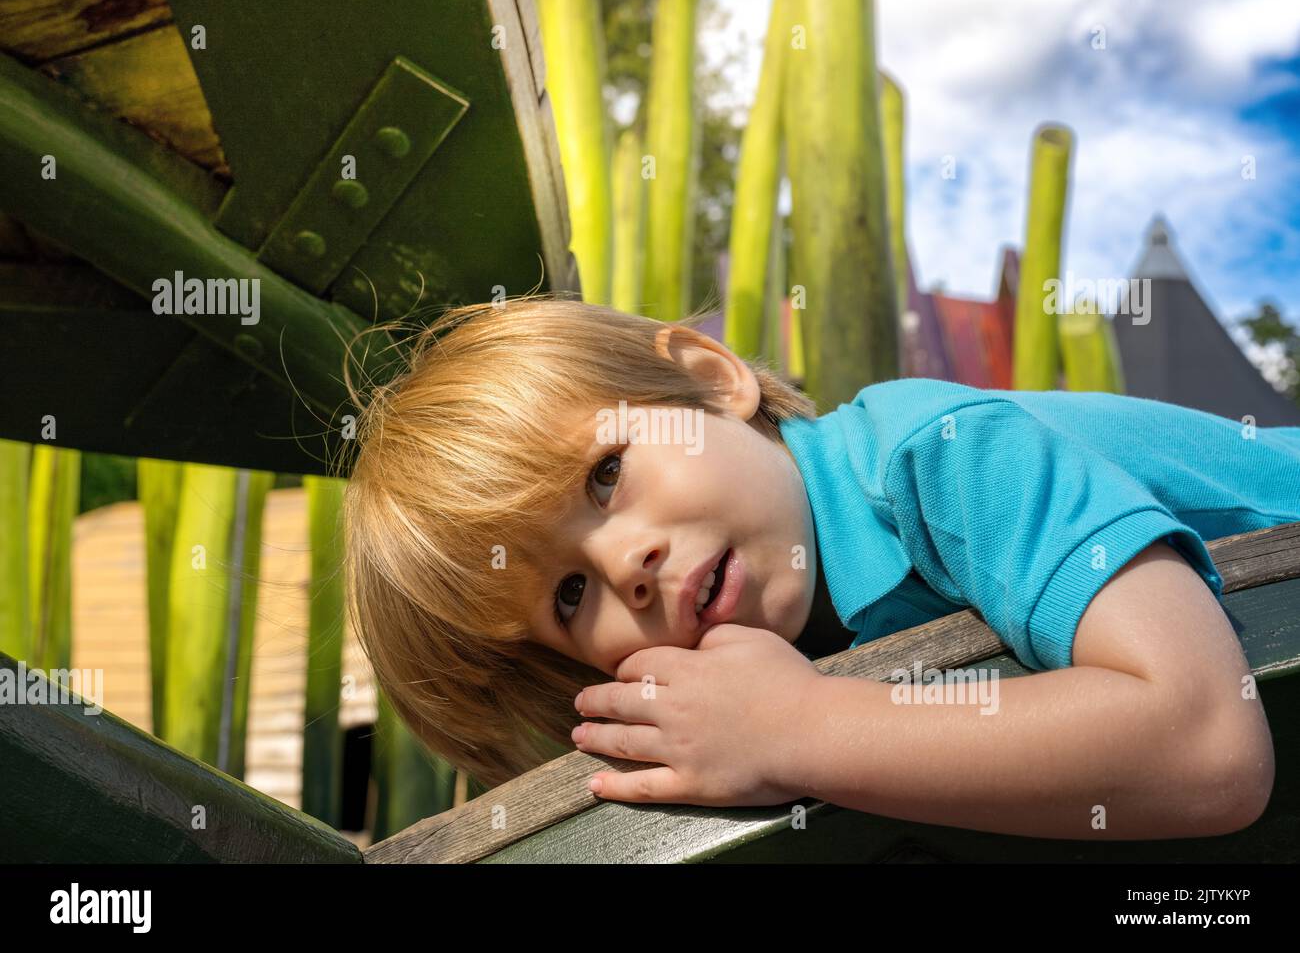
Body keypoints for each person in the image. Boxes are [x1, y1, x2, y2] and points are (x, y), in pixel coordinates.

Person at [341, 294, 1300, 839]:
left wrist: (803, 727)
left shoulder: (941, 456)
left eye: (606, 474)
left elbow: (1209, 745)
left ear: (713, 381)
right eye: (569, 593)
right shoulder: (801, 638)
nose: (626, 562)